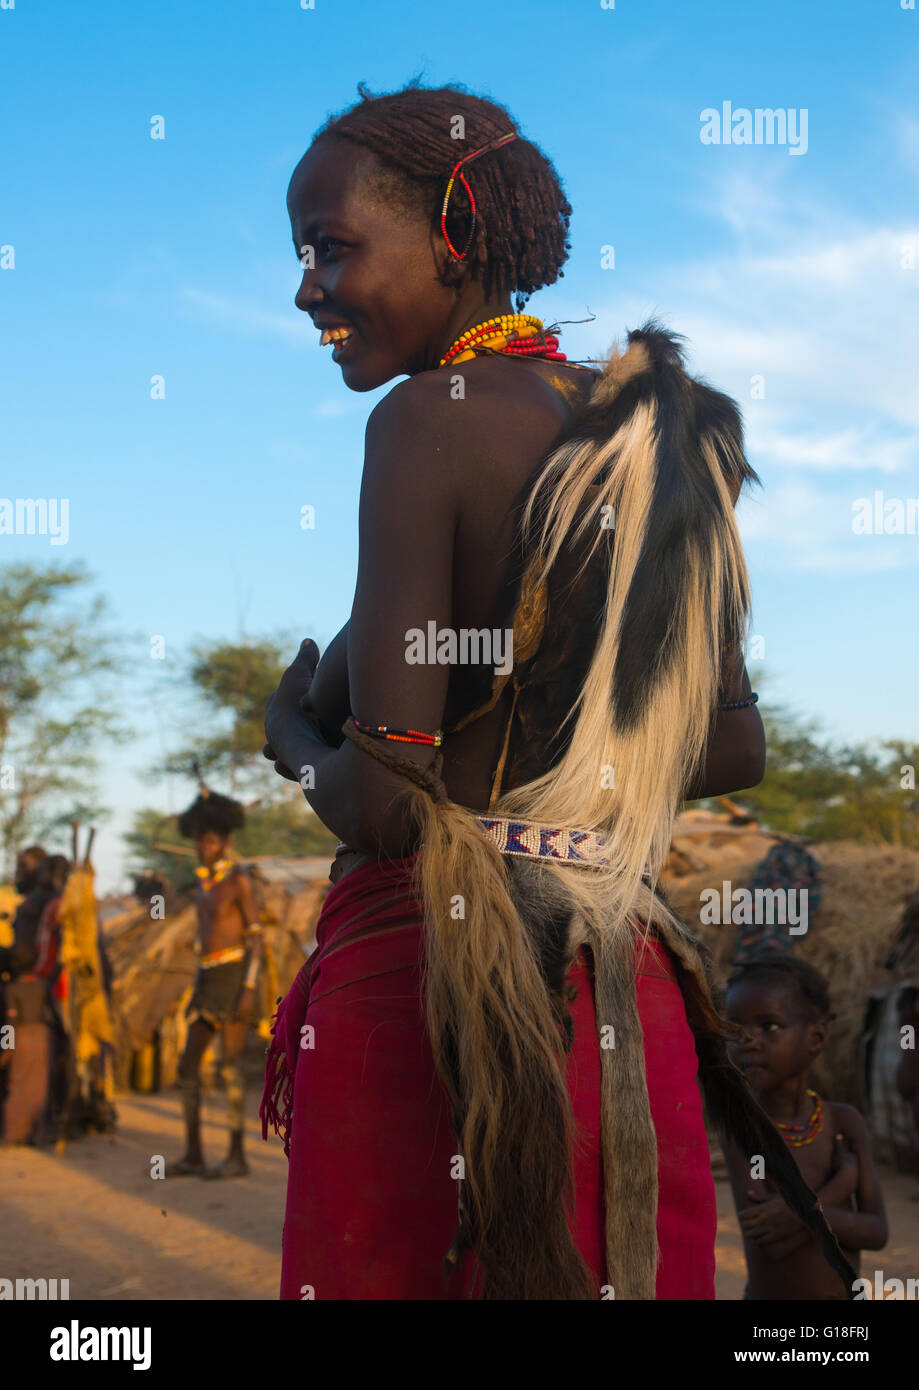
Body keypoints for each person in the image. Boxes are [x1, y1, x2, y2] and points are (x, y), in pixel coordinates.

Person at [261, 81, 851, 1301]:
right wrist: (551, 739)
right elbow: (730, 745)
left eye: (331, 246)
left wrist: (290, 736)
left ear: (455, 235)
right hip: (618, 989)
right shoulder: (654, 429)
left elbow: (383, 801)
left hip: (434, 986)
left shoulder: (428, 422)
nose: (307, 288)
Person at [724, 953, 888, 1299]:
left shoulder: (845, 1121)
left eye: (769, 1026)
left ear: (815, 1038)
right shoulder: (742, 1128)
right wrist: (842, 1183)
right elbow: (771, 1241)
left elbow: (875, 1232)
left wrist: (794, 1211)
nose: (748, 1040)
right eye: (736, 1028)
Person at [166, 789, 263, 1178]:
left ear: (225, 842)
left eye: (209, 842)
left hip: (234, 975)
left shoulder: (238, 881)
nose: (203, 849)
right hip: (206, 977)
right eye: (199, 842)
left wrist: (249, 989)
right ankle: (193, 1154)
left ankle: (237, 1156)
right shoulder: (204, 885)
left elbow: (256, 937)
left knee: (229, 1066)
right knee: (188, 1066)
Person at [0, 942, 54, 1145]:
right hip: (42, 1037)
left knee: (18, 1085)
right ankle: (37, 1133)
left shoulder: (13, 990)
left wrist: (7, 1048)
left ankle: (15, 1134)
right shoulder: (42, 986)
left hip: (21, 1037)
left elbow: (10, 1023)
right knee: (39, 1087)